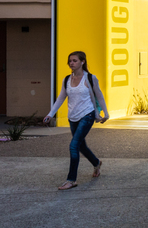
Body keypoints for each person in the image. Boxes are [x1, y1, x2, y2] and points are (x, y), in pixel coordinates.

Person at [43, 50, 108, 190]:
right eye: (70, 61)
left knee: (73, 146)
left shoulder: (90, 78)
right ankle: (96, 163)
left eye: (74, 60)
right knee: (81, 146)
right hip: (72, 117)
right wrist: (50, 114)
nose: (71, 63)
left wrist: (106, 113)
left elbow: (100, 95)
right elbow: (61, 98)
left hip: (87, 114)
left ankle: (71, 180)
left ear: (82, 62)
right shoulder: (67, 79)